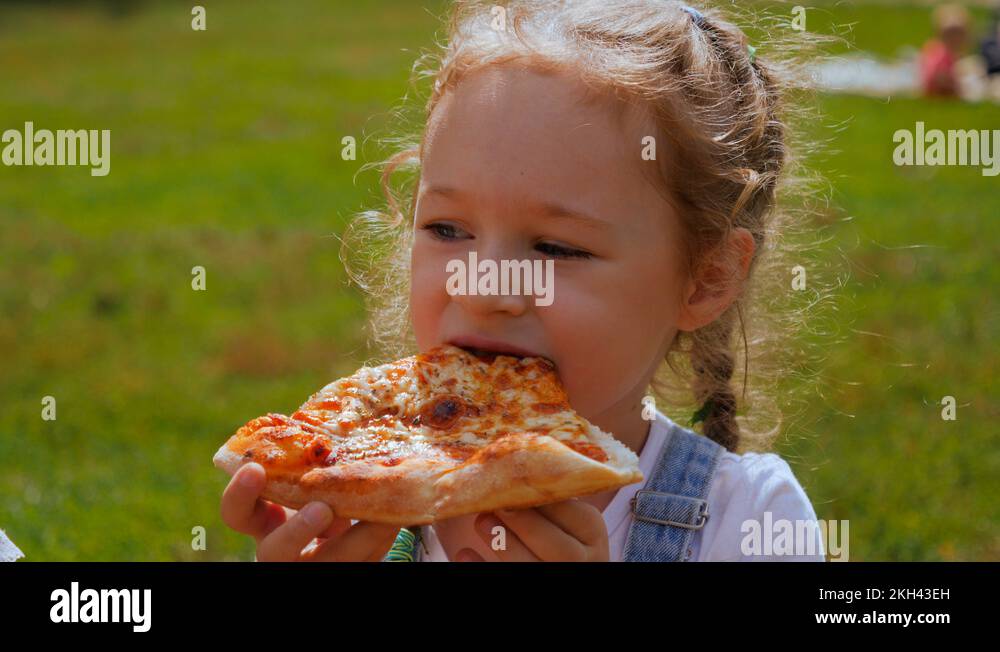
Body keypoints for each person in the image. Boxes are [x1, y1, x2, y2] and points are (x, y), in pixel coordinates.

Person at [220, 1, 827, 562]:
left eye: (556, 247)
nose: (483, 287)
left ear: (705, 279)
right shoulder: (355, 489)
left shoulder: (751, 521)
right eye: (447, 229)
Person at [919, 4, 971, 97]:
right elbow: (937, 77)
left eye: (958, 33)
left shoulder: (952, 54)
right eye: (950, 34)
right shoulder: (940, 53)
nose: (955, 38)